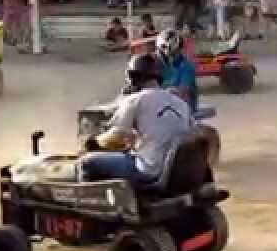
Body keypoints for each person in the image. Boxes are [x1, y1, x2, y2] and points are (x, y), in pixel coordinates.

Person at [81, 54, 195, 184]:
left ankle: (91, 202)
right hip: (176, 172)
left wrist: (94, 141)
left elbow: (116, 136)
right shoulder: (181, 104)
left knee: (87, 162)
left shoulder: (136, 99)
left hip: (149, 170)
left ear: (133, 77)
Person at [156, 28, 199, 111]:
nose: (172, 56)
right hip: (160, 107)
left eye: (176, 51)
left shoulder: (186, 67)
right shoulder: (153, 66)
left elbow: (183, 92)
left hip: (183, 109)